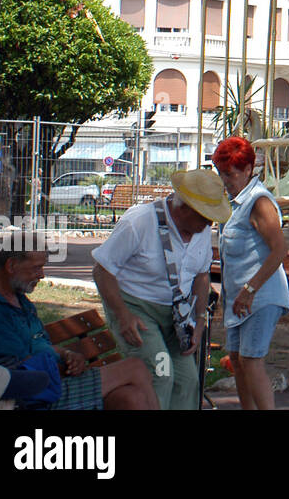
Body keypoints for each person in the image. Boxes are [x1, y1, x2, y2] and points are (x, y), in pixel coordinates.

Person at [92, 169, 229, 409]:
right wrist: (123, 315)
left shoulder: (201, 230)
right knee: (161, 373)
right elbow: (102, 270)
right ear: (183, 207)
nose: (209, 223)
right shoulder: (140, 221)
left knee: (187, 380)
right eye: (205, 216)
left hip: (176, 316)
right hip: (136, 311)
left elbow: (201, 274)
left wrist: (199, 321)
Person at [0, 247, 157, 409]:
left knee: (133, 398)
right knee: (136, 368)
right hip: (32, 397)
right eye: (36, 268)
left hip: (51, 383)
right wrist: (63, 368)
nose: (42, 274)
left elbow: (39, 343)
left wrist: (67, 355)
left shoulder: (18, 300)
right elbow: (18, 375)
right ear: (11, 266)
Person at [213, 136, 289, 410]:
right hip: (240, 299)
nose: (225, 181)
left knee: (251, 360)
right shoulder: (234, 202)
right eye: (221, 174)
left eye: (230, 175)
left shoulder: (259, 202)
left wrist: (250, 290)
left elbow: (280, 251)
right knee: (236, 359)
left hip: (262, 295)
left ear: (248, 170)